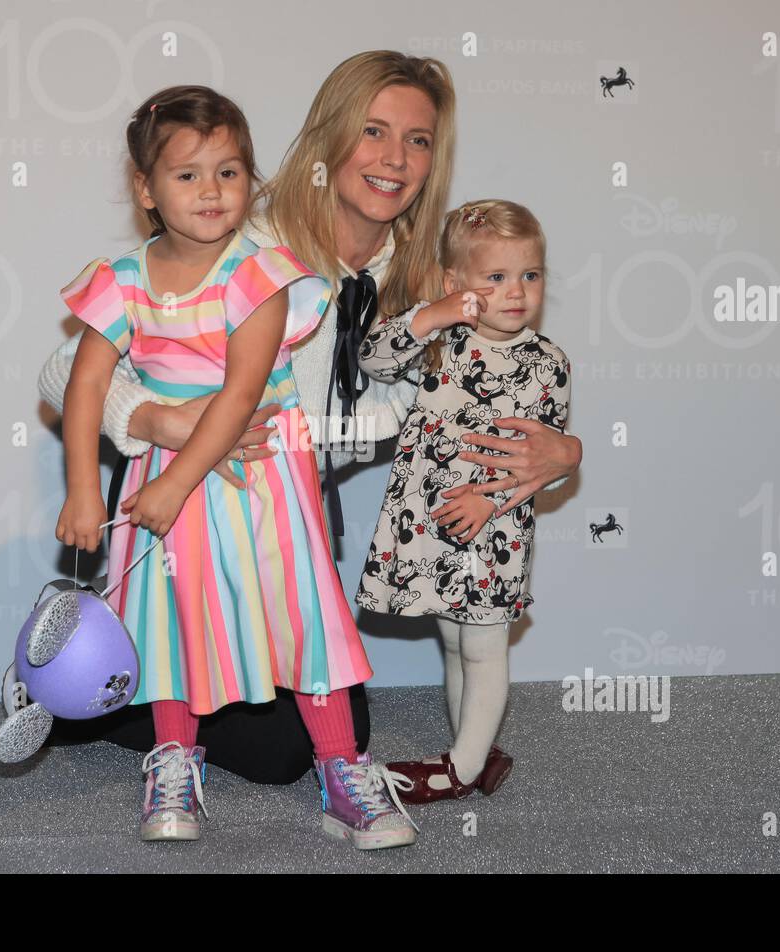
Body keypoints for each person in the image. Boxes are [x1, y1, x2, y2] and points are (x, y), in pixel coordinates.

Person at [38, 51, 582, 784]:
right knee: (259, 728)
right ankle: (77, 689)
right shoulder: (241, 237)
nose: (394, 158)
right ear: (329, 140)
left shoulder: (432, 282)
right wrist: (171, 423)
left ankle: (106, 677)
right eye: (373, 132)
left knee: (313, 741)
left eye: (417, 140)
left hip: (280, 508)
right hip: (179, 498)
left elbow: (459, 403)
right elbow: (62, 373)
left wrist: (562, 450)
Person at [55, 84, 417, 849]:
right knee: (172, 618)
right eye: (187, 175)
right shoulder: (121, 276)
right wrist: (86, 488)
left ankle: (343, 771)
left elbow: (244, 389)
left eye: (229, 172)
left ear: (250, 178)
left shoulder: (261, 273)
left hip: (262, 480)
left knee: (302, 617)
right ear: (145, 189)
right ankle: (175, 758)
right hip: (164, 475)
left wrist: (176, 478)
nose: (212, 191)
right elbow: (84, 380)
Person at [354, 200, 571, 803]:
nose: (516, 292)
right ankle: (470, 746)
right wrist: (430, 315)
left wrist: (488, 504)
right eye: (495, 277)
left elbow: (541, 465)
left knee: (483, 645)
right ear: (458, 285)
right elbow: (373, 355)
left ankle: (463, 767)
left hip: (493, 529)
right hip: (430, 520)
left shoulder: (547, 364)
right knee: (452, 639)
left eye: (530, 275)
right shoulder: (438, 343)